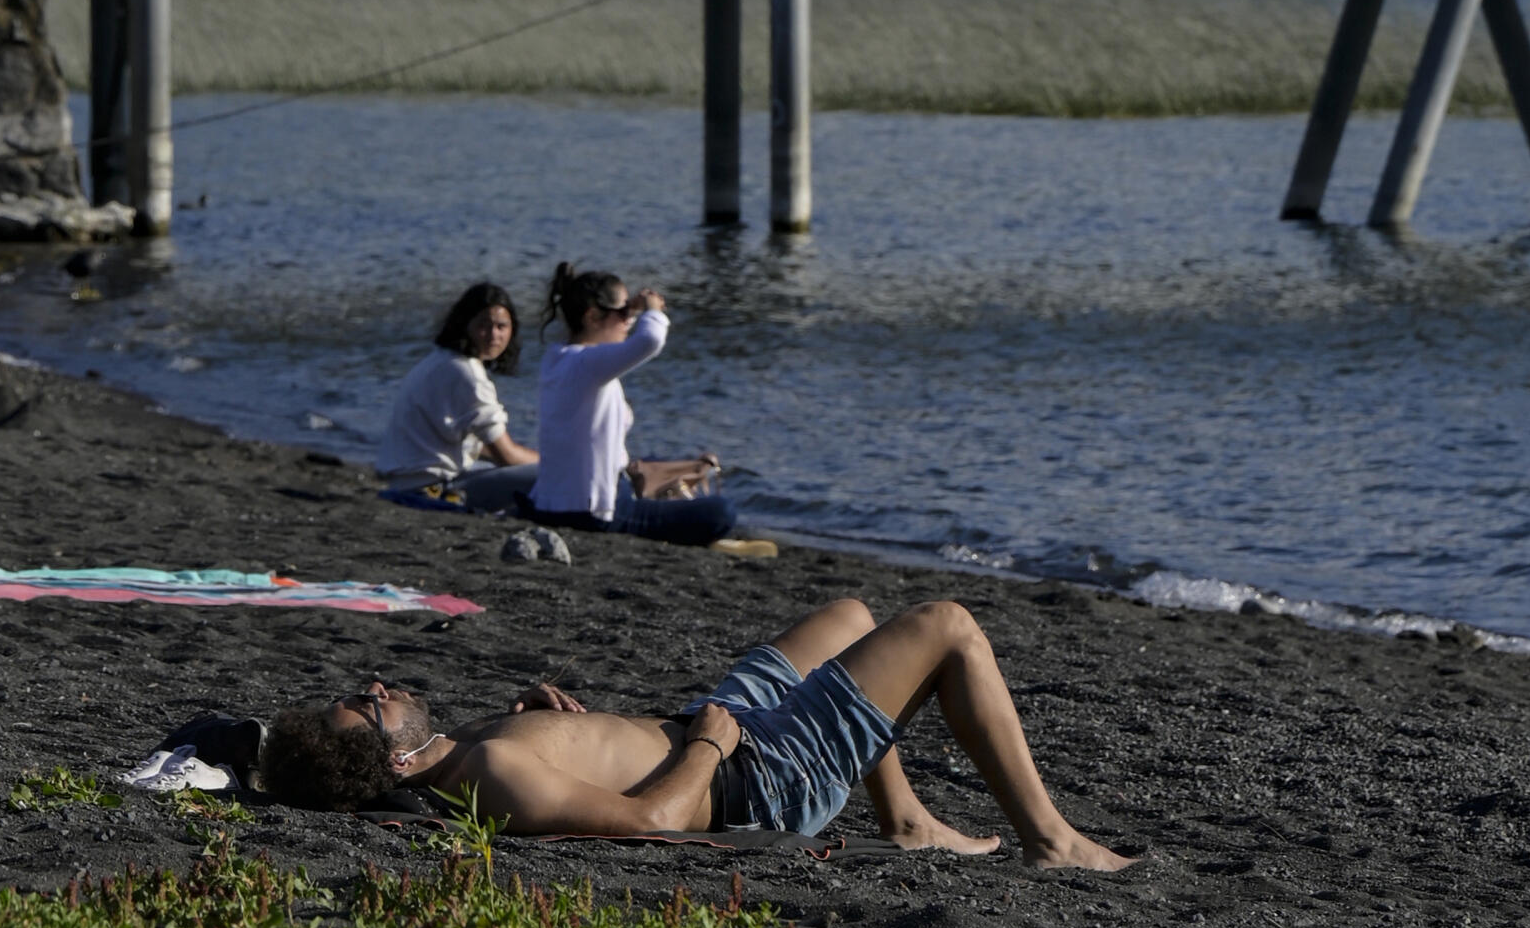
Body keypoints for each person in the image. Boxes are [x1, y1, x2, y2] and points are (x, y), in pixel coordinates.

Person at [256, 589, 1132, 864]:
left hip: (714, 730)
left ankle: (903, 818)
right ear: (398, 761)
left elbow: (573, 761)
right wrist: (714, 742)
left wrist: (542, 715)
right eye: (368, 706)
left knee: (853, 615)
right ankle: (1050, 838)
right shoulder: (488, 779)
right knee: (947, 626)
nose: (377, 684)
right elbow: (652, 824)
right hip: (756, 773)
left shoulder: (462, 751)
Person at [530, 262, 736, 546]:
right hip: (590, 512)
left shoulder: (556, 359)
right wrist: (653, 310)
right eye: (625, 313)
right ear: (592, 316)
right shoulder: (588, 362)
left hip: (551, 504)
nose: (630, 321)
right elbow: (650, 340)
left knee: (656, 465)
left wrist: (633, 309)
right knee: (722, 511)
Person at [377, 279, 539, 513]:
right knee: (551, 477)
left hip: (407, 481)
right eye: (484, 325)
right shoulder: (466, 374)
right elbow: (507, 456)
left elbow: (468, 443)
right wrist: (554, 464)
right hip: (432, 489)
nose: (494, 334)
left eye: (501, 326)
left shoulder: (440, 360)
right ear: (465, 325)